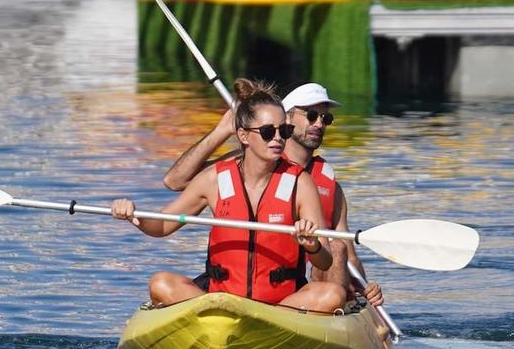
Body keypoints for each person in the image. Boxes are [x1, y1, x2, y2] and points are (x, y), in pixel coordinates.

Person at [113, 81, 348, 313]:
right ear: (244, 136)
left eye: (283, 131)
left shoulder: (300, 182)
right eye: (267, 132)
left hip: (280, 307)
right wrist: (136, 218)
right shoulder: (215, 179)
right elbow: (163, 224)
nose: (278, 139)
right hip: (221, 300)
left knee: (333, 295)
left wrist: (313, 246)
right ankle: (218, 314)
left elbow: (325, 261)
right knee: (161, 282)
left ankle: (258, 320)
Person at [161, 80, 383, 309]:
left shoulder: (329, 187)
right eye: (311, 115)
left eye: (325, 119)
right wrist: (223, 130)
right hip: (239, 281)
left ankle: (331, 316)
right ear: (285, 118)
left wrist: (365, 291)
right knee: (163, 284)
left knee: (336, 247)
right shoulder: (246, 160)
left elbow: (348, 253)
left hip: (303, 287)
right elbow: (175, 181)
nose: (319, 123)